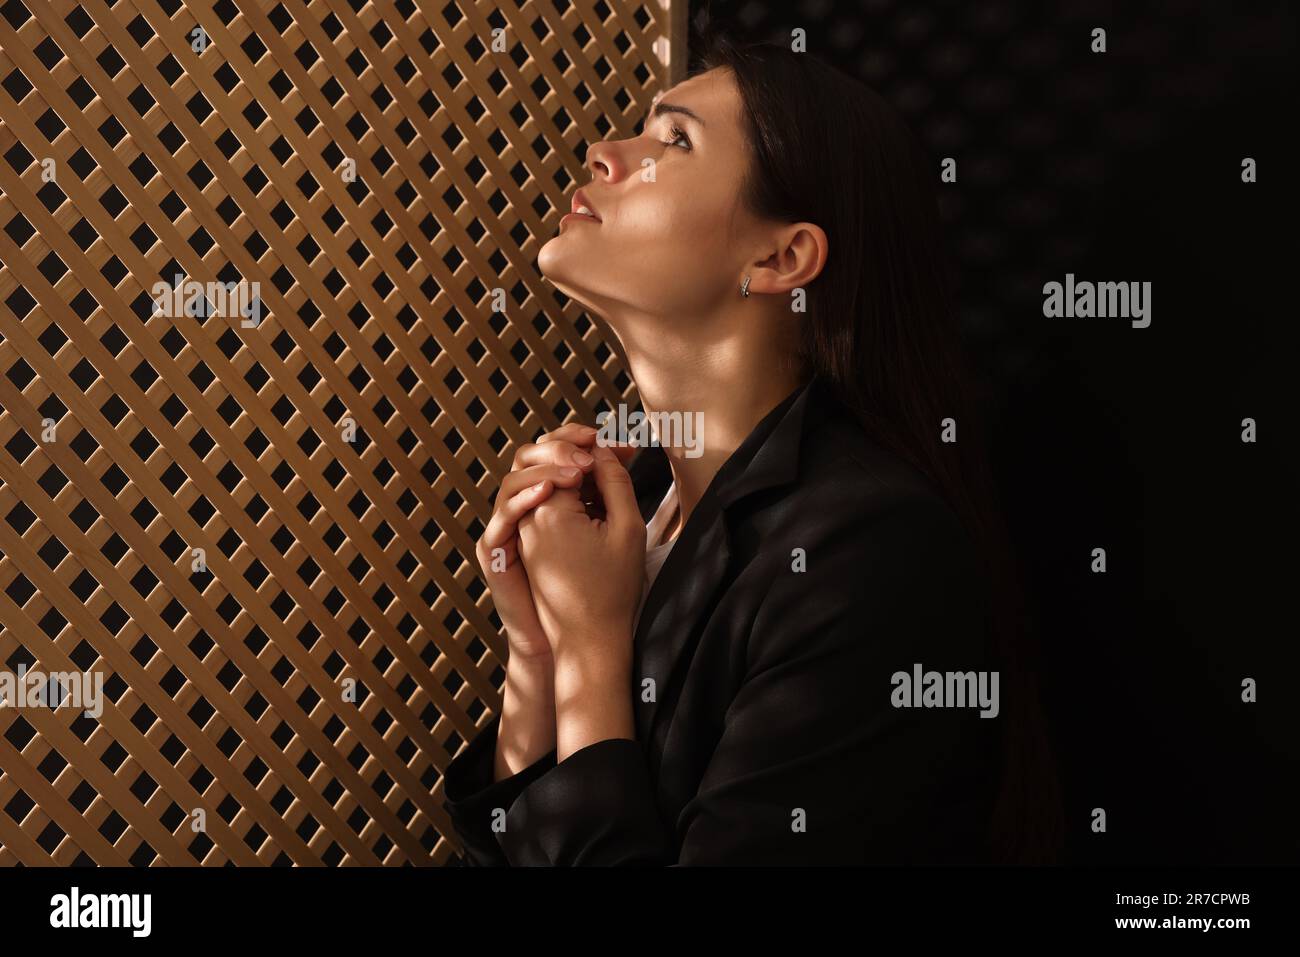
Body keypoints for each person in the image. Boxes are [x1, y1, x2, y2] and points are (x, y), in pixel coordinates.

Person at [442, 31, 1063, 866]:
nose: (604, 153)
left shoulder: (868, 552)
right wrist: (538, 653)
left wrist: (590, 647)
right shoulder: (638, 496)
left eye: (674, 140)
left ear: (782, 257)